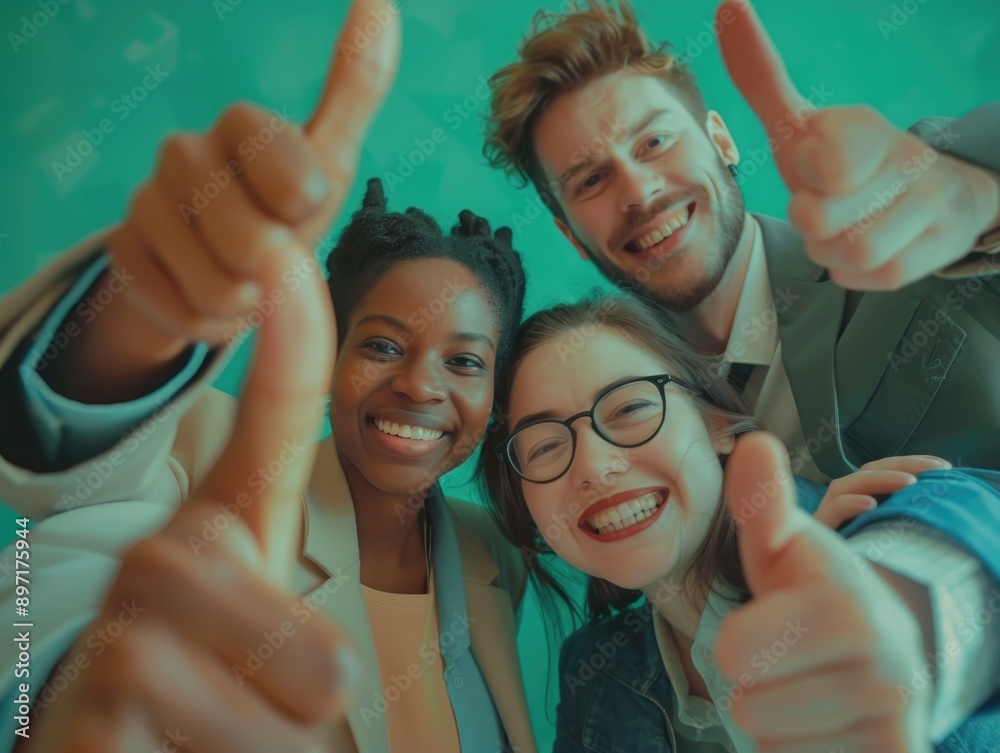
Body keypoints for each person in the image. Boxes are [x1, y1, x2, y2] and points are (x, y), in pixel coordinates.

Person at [0, 1, 536, 750]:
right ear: (328, 350)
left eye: (466, 361)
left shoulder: (494, 554)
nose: (420, 386)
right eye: (382, 345)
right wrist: (136, 318)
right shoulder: (209, 458)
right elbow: (41, 567)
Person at [483, 0, 1000, 483]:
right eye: (591, 180)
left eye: (655, 142)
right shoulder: (611, 420)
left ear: (721, 140)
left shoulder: (900, 235)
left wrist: (971, 194)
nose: (639, 192)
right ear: (569, 235)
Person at [479, 294, 1000, 752]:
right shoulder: (591, 678)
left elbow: (966, 537)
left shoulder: (877, 519)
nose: (593, 467)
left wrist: (898, 610)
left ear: (716, 425)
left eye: (631, 408)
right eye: (545, 445)